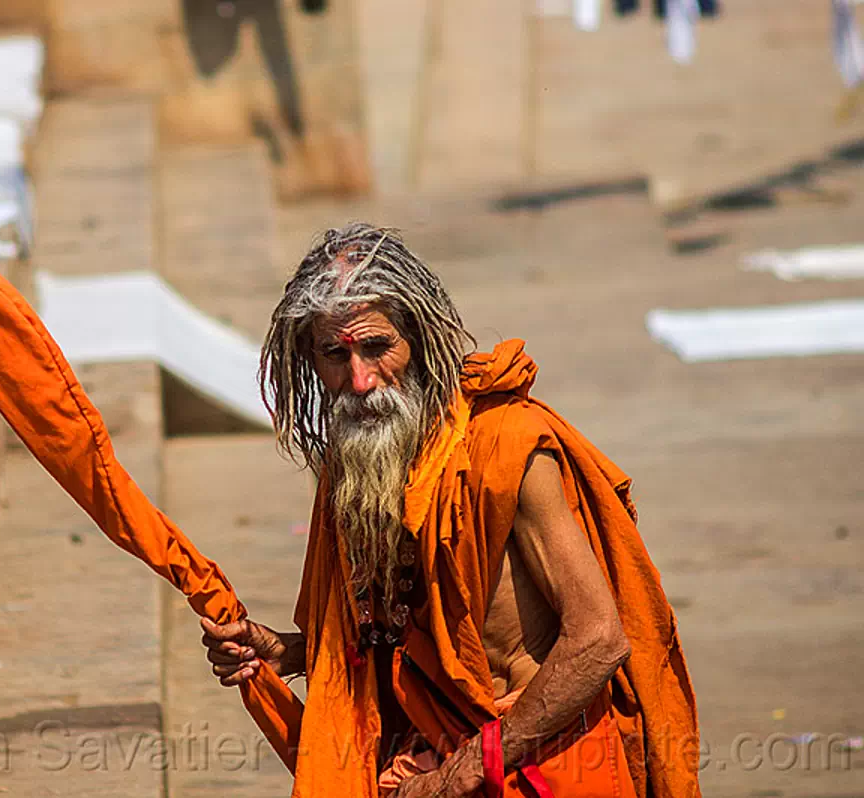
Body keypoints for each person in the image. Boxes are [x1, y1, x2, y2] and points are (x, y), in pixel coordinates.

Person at [199, 224, 700, 797]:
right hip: (421, 768)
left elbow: (598, 640)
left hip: (540, 767)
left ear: (417, 339)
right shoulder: (359, 466)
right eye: (335, 355)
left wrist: (466, 771)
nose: (359, 381)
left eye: (376, 347)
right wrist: (287, 651)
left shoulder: (508, 445)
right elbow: (403, 635)